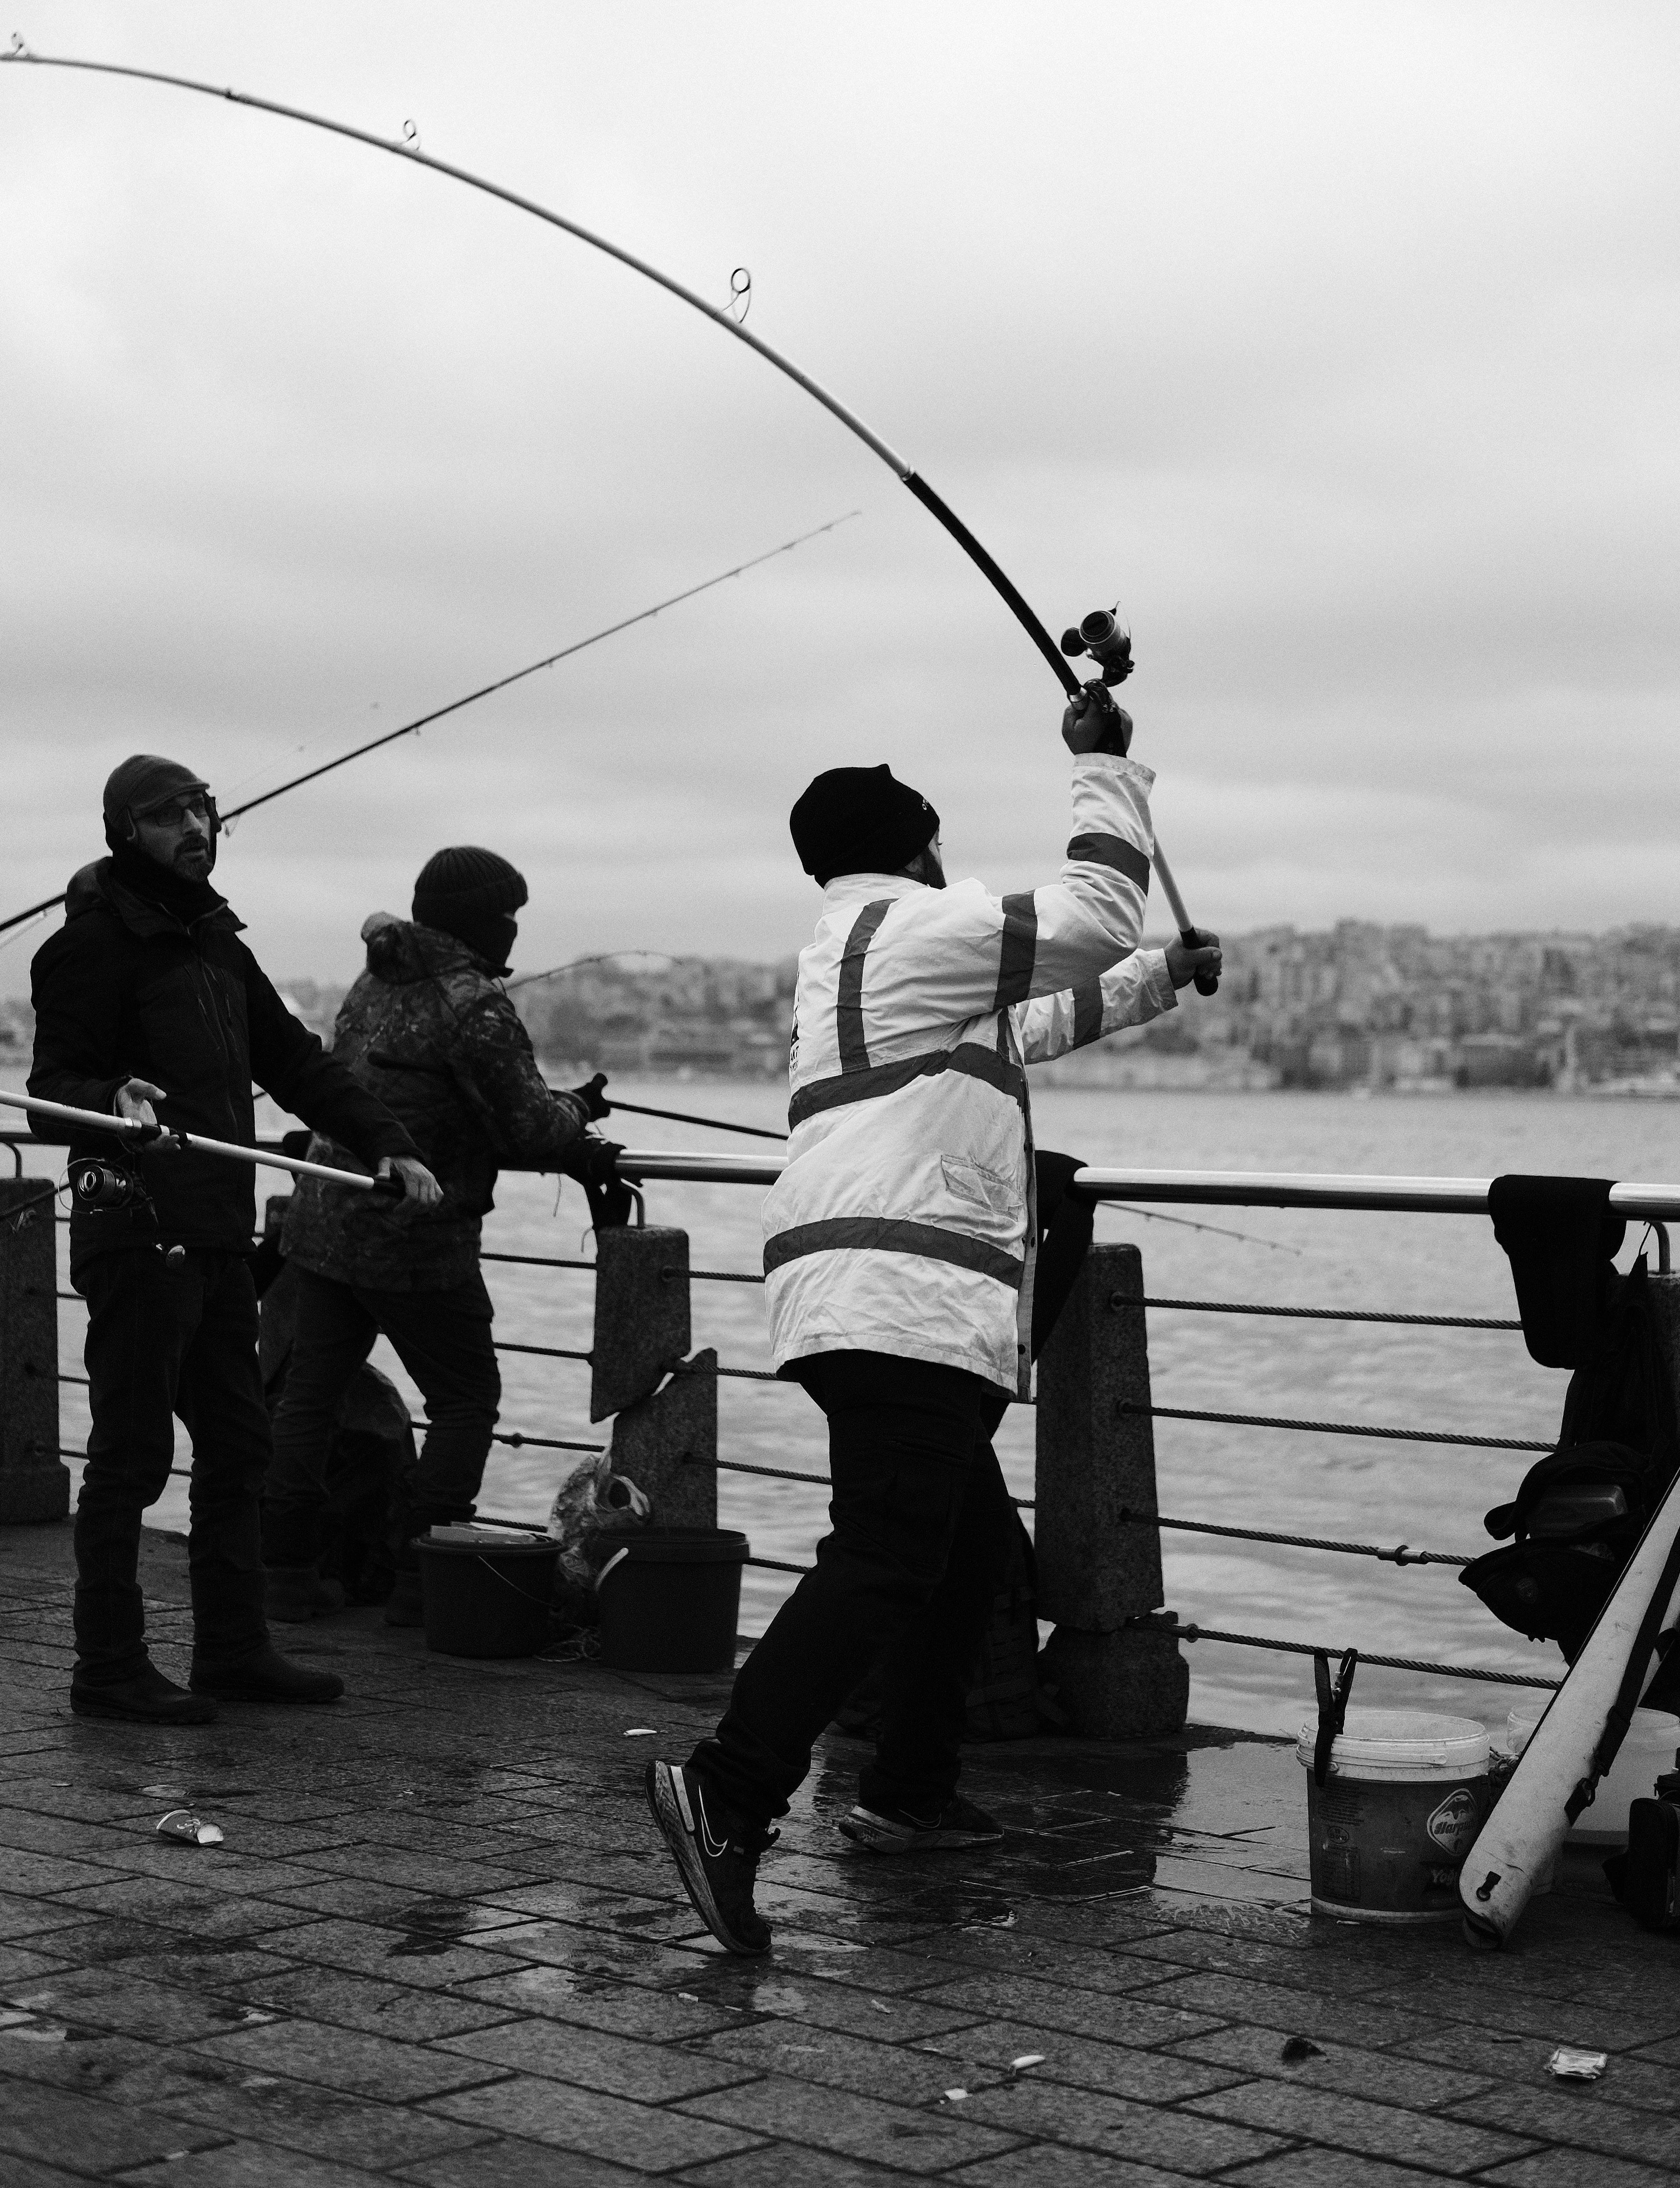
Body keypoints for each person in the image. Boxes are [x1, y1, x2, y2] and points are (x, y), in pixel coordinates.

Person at [646, 691, 1221, 1952]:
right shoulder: (915, 925)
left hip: (877, 1289)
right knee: (889, 1555)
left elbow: (1033, 1021)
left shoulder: (868, 945)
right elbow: (1088, 918)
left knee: (964, 1559)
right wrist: (1105, 767)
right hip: (899, 1293)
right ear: (913, 847)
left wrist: (1160, 982)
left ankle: (907, 1790)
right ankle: (728, 1789)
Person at [27, 753, 439, 1726]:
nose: (195, 829)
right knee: (131, 1457)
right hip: (135, 1229)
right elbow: (52, 1092)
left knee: (238, 1447)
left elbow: (296, 1063)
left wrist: (389, 1141)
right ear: (126, 832)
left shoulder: (217, 945)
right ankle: (109, 1665)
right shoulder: (86, 949)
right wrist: (109, 1101)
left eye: (204, 812)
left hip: (216, 1230)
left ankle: (232, 1648)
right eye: (169, 817)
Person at [261, 846, 607, 1625]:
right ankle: (419, 1578)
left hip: (327, 1217)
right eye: (510, 915)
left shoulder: (375, 978)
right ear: (483, 921)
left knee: (308, 1401)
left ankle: (282, 1569)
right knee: (465, 1398)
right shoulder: (473, 1003)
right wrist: (580, 1110)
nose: (516, 930)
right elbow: (525, 1126)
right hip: (414, 1236)